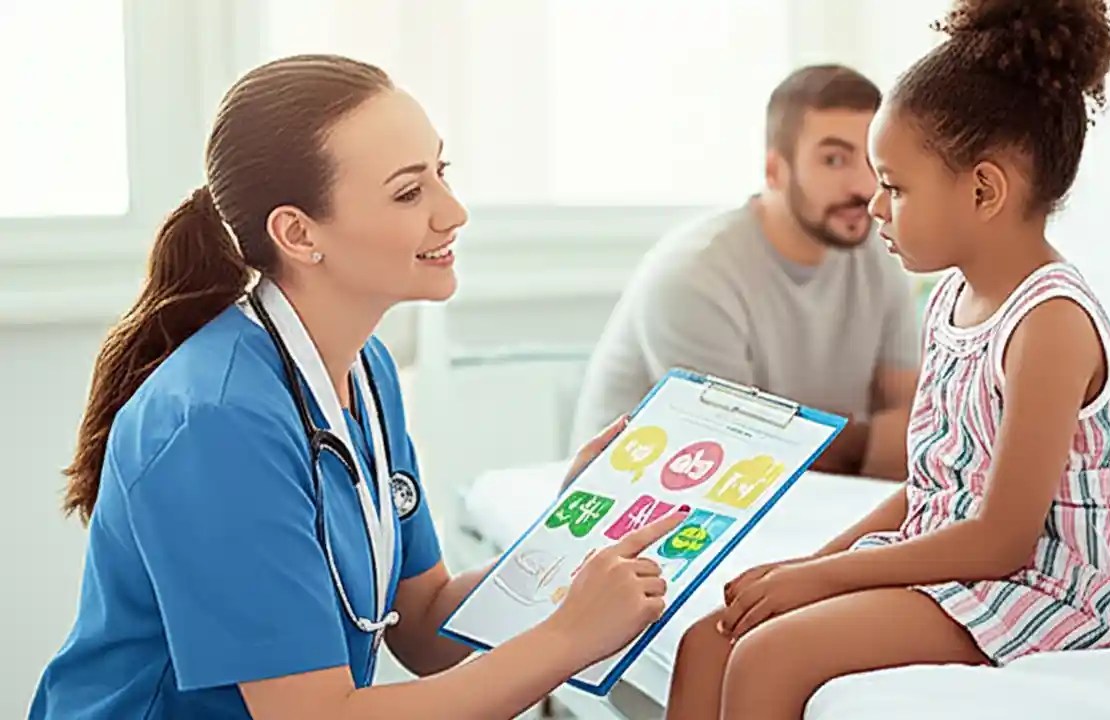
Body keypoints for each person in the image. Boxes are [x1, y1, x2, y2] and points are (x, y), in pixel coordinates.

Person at [28, 54, 689, 720]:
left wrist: (569, 539)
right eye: (409, 192)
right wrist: (567, 638)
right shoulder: (219, 421)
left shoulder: (362, 370)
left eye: (442, 173)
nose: (453, 212)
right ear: (297, 232)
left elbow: (426, 624)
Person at [665, 1, 1110, 717]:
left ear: (984, 190)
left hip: (1053, 583)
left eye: (894, 187)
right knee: (711, 638)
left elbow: (1001, 538)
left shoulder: (1050, 323)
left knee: (771, 653)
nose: (874, 208)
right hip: (965, 553)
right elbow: (935, 486)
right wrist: (812, 567)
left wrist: (829, 581)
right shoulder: (948, 301)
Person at [570, 64, 921, 481]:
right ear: (774, 170)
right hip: (637, 497)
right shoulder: (695, 275)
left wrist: (812, 437)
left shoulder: (881, 255)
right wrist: (860, 441)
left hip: (813, 496)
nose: (864, 187)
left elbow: (914, 426)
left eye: (870, 159)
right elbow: (733, 453)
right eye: (833, 160)